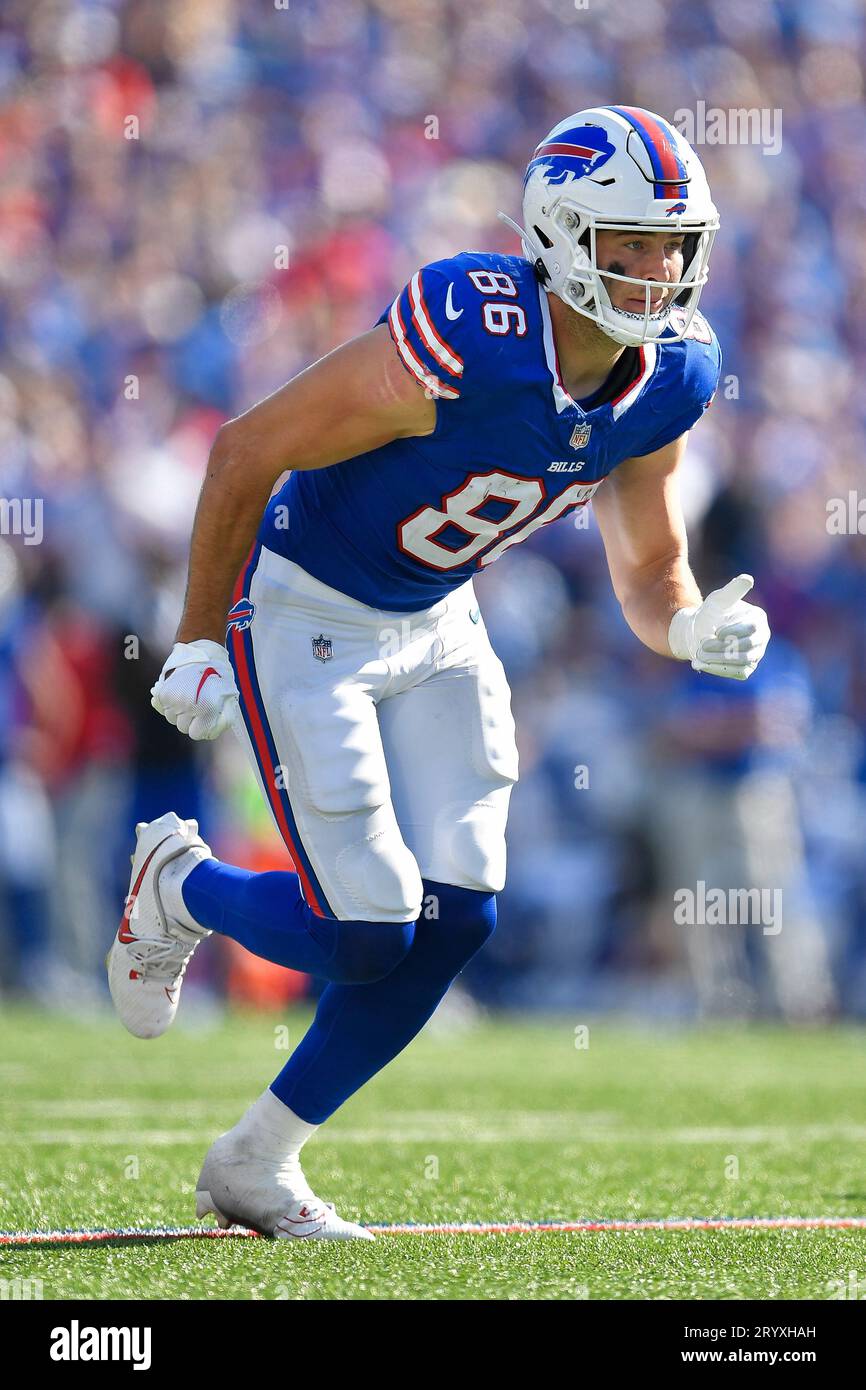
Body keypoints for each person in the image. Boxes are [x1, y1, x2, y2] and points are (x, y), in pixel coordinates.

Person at [106, 106, 770, 1240]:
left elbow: (650, 562)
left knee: (459, 917)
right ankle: (182, 884)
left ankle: (255, 1161)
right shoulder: (474, 329)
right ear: (560, 235)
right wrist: (199, 635)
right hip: (308, 606)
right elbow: (246, 448)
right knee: (366, 930)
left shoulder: (674, 373)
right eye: (630, 241)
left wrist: (687, 627)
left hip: (435, 616)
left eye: (673, 244)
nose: (658, 269)